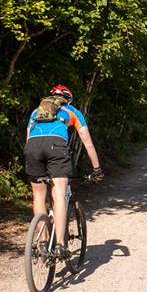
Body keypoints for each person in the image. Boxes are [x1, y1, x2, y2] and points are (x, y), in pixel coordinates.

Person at [23, 84, 102, 256]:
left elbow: (28, 137)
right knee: (59, 193)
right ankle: (60, 245)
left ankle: (42, 242)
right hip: (56, 147)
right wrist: (97, 169)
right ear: (68, 98)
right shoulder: (72, 111)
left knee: (38, 195)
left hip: (32, 148)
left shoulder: (36, 111)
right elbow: (87, 143)